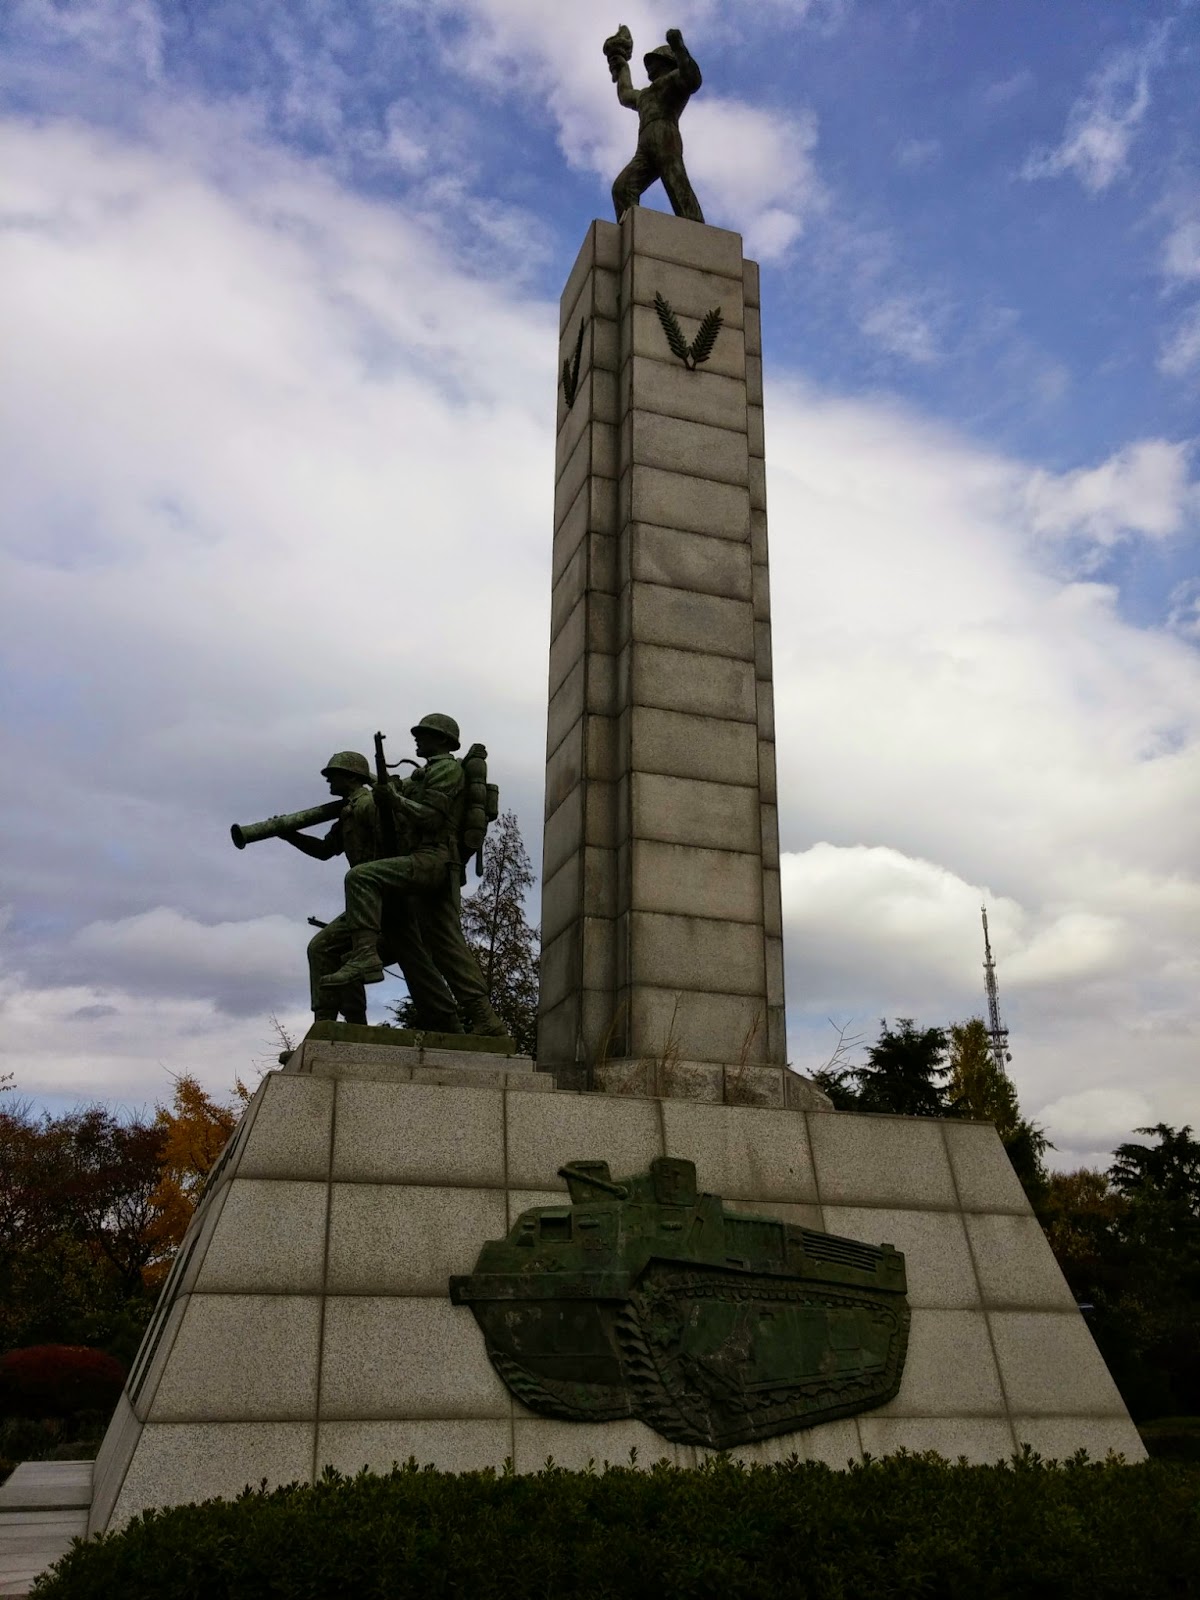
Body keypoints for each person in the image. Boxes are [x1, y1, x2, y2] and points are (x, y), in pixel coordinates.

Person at [320, 717, 508, 1039]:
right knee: (446, 946)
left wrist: (395, 800)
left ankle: (366, 955)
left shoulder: (446, 770)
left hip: (434, 858)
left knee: (360, 877)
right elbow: (396, 803)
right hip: (425, 860)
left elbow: (433, 818)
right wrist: (387, 791)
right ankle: (486, 1019)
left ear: (444, 741)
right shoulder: (422, 773)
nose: (418, 741)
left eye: (424, 736)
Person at [279, 750, 461, 1033]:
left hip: (391, 897)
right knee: (322, 948)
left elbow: (398, 844)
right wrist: (290, 834)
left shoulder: (370, 806)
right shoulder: (349, 812)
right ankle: (332, 1027)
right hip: (367, 901)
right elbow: (325, 851)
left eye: (334, 776)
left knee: (418, 968)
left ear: (351, 777)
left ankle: (451, 1025)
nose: (328, 782)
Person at [605, 26, 704, 224]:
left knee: (675, 181)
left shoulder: (673, 81)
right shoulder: (644, 95)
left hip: (665, 134)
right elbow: (625, 95)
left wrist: (678, 47)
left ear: (667, 63)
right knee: (623, 187)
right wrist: (623, 67)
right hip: (644, 144)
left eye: (653, 61)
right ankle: (632, 228)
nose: (649, 66)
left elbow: (692, 79)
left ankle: (695, 226)